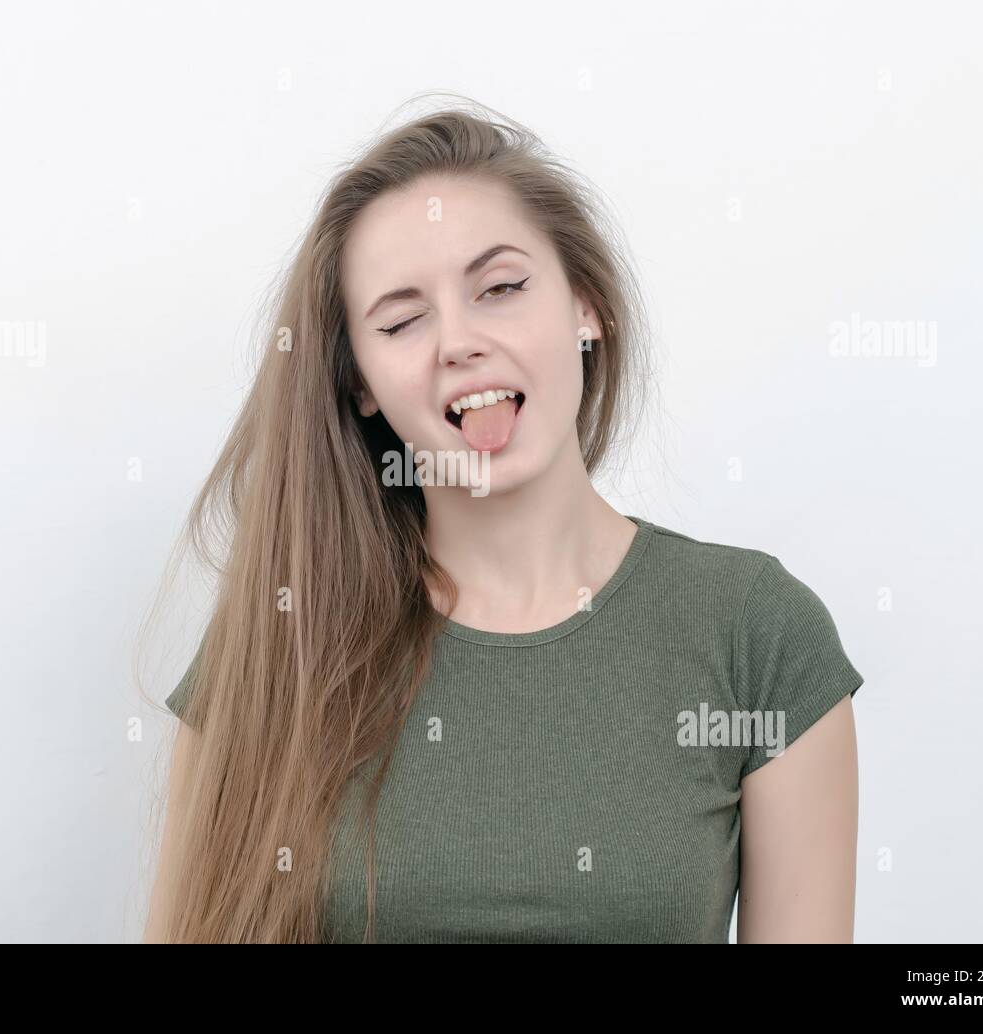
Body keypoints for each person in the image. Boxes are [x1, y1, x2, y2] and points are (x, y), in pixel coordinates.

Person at [143, 98, 864, 944]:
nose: (459, 341)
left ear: (585, 308)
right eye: (403, 320)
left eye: (502, 287)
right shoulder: (279, 644)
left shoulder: (758, 633)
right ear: (362, 383)